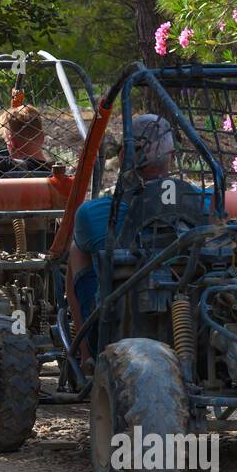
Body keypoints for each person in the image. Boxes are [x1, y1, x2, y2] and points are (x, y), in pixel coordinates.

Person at [67, 114, 178, 365]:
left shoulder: (92, 213)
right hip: (188, 334)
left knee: (77, 248)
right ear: (172, 154)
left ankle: (86, 354)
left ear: (124, 156)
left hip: (115, 331)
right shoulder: (202, 201)